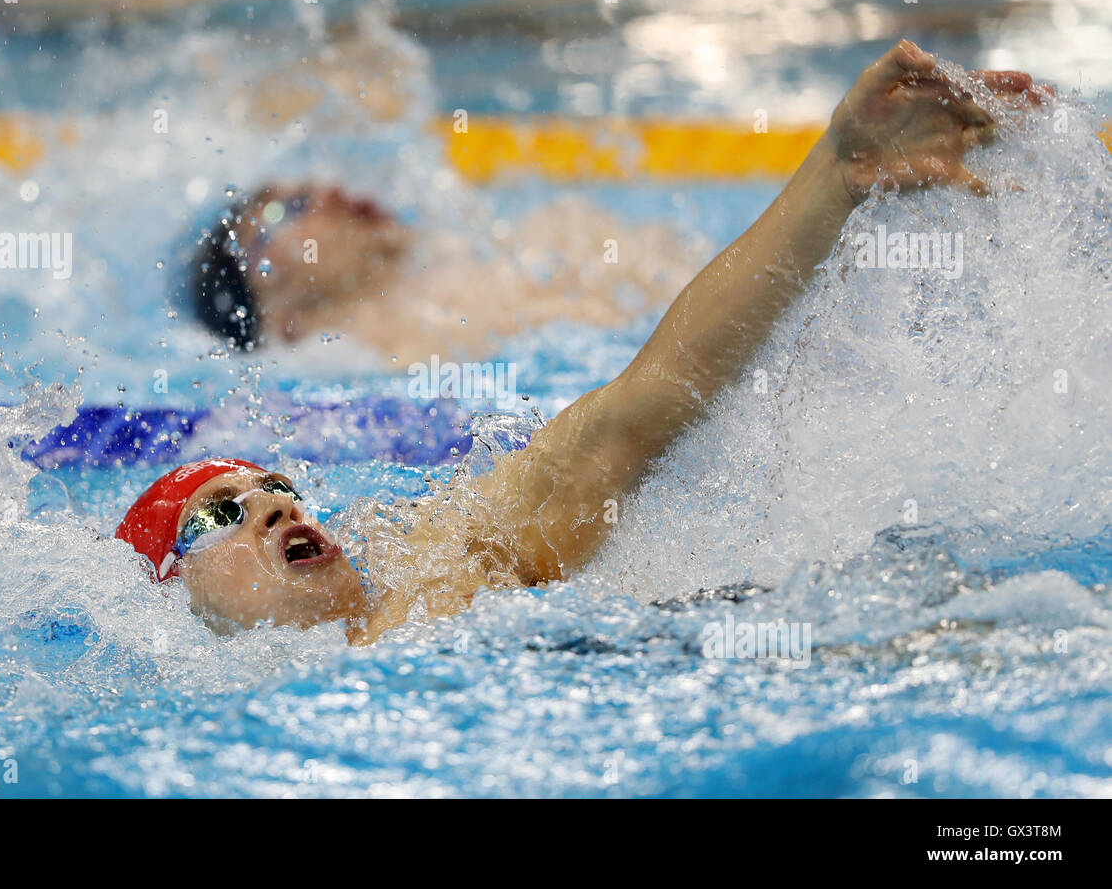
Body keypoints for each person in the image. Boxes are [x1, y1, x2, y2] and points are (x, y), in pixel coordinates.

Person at [126, 41, 1045, 645]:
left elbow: (636, 411)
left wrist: (834, 178)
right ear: (173, 605)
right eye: (218, 515)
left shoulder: (446, 565)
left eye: (275, 487)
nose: (273, 509)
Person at [187, 184, 699, 360]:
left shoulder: (477, 263)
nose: (328, 191)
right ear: (281, 317)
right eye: (289, 209)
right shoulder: (403, 349)